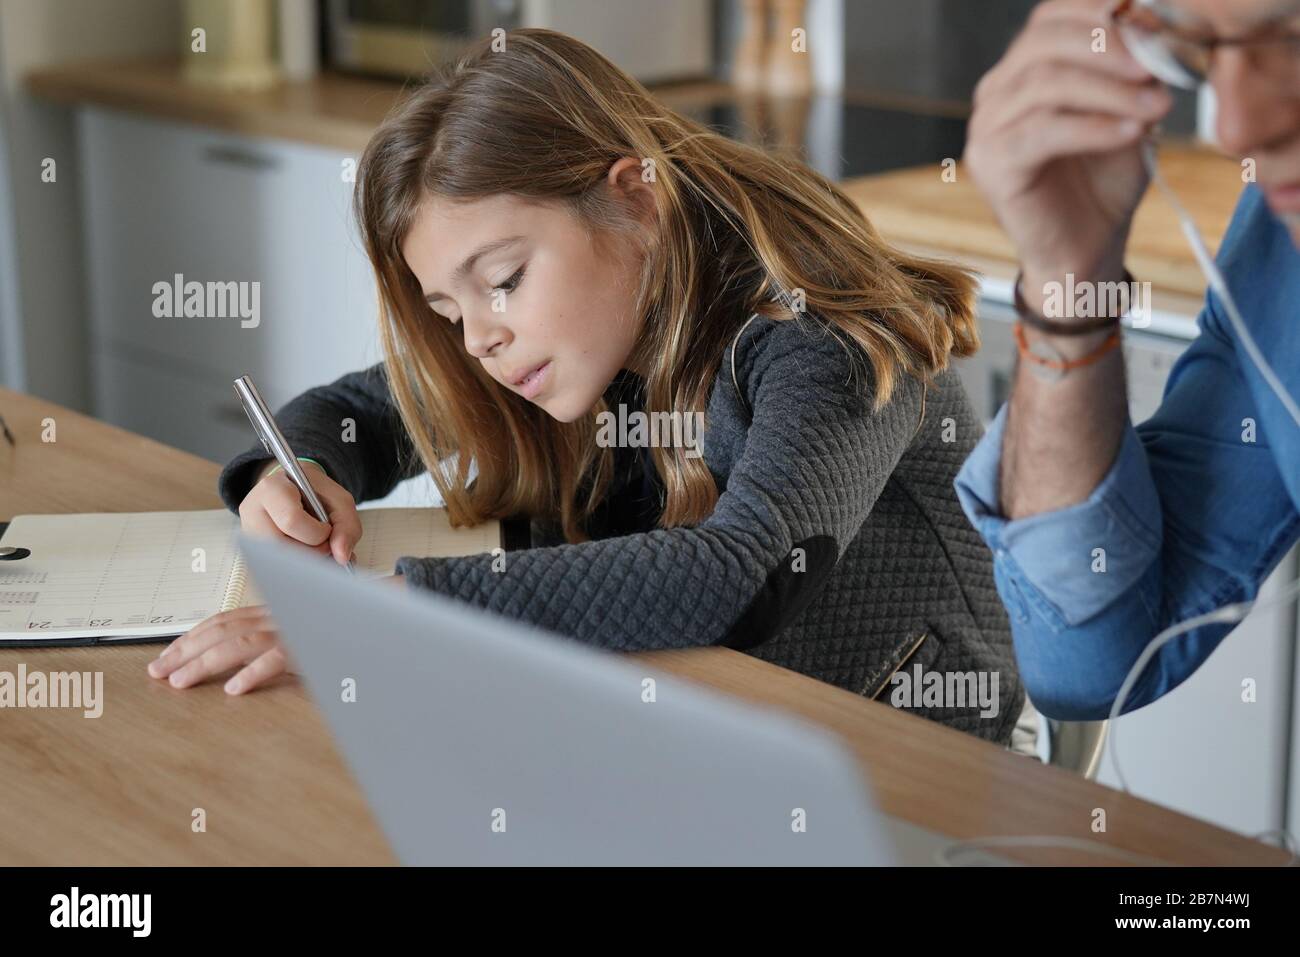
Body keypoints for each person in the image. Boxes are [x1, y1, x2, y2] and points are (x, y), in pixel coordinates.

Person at [149, 28, 1029, 747]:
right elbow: (362, 414)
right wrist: (294, 469)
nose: (480, 339)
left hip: (906, 755)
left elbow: (742, 572)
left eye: (501, 279)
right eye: (449, 310)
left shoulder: (823, 332)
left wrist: (390, 612)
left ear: (636, 200)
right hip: (698, 722)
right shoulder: (581, 327)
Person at [955, 0, 1300, 719]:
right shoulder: (1280, 241)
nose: (1232, 127)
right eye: (1203, 47)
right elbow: (1089, 661)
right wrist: (1068, 281)